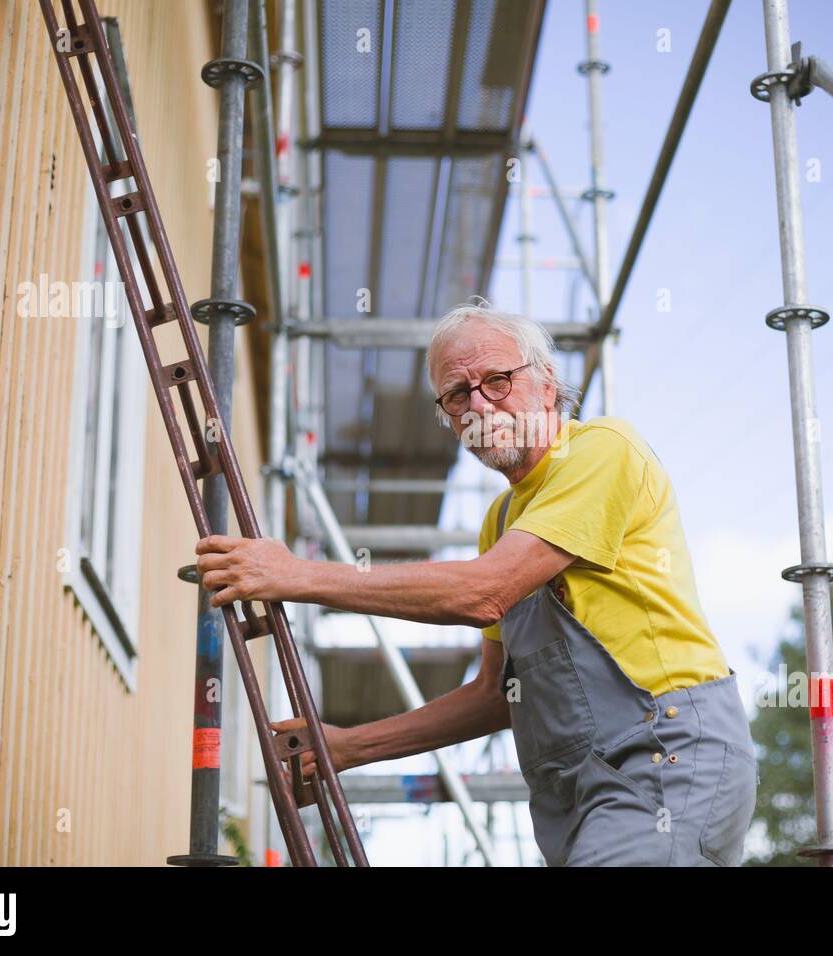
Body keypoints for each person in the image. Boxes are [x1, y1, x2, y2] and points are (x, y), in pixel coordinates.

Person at [194, 301, 757, 866]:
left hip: (666, 753)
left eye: (497, 380)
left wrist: (298, 575)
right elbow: (496, 696)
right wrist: (348, 747)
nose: (479, 405)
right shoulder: (502, 521)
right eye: (457, 395)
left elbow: (484, 591)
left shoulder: (601, 450)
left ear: (547, 384)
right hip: (579, 788)